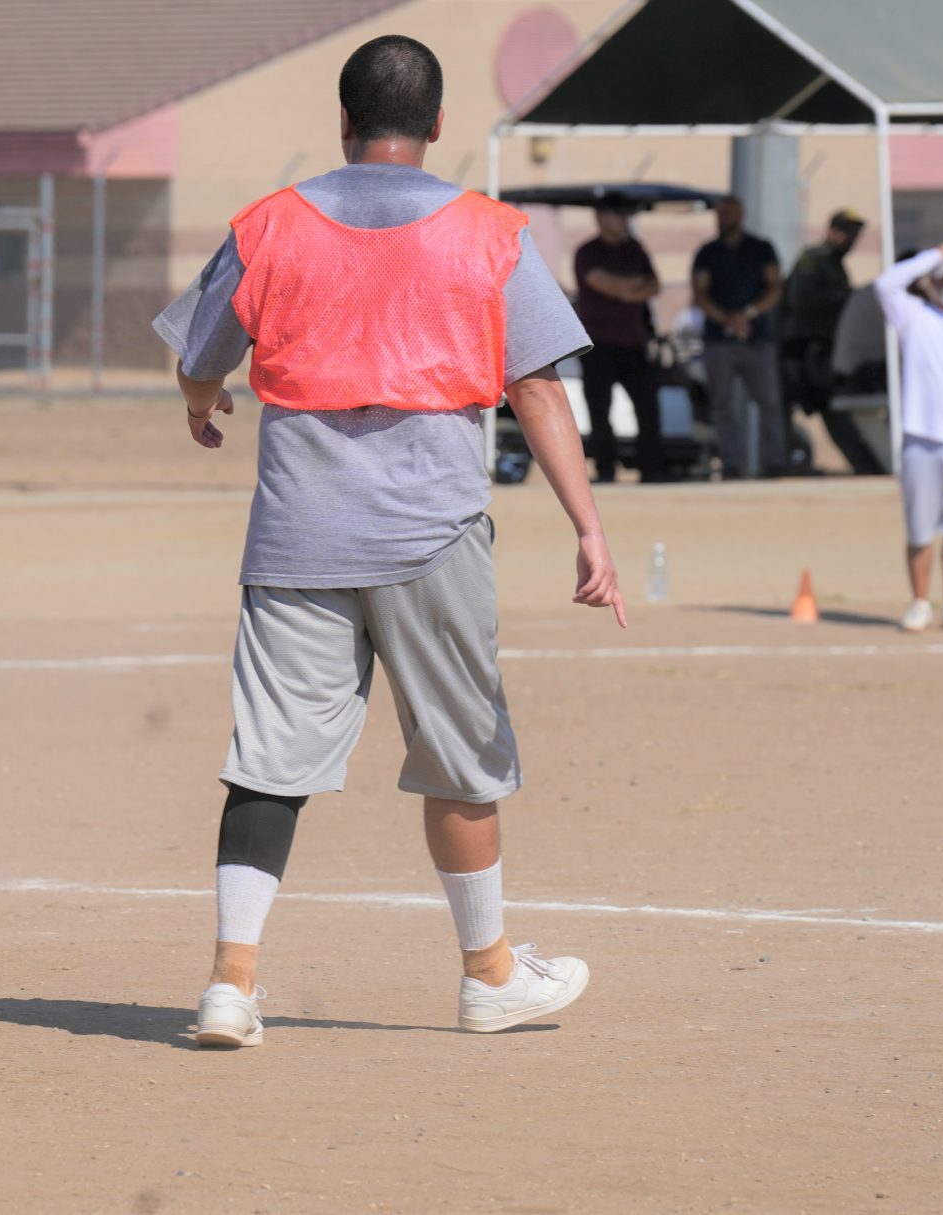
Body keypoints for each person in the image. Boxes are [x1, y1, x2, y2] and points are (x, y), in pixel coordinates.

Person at [152, 35, 626, 1047]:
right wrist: (587, 526)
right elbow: (536, 386)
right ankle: (488, 976)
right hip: (431, 534)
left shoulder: (268, 223)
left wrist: (202, 403)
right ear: (440, 124)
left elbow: (200, 353)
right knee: (460, 761)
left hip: (296, 533)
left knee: (269, 764)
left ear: (340, 120)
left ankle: (229, 985)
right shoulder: (488, 233)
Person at [874, 242, 943, 632]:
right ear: (931, 281)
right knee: (920, 528)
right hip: (922, 439)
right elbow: (885, 284)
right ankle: (919, 602)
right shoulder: (915, 318)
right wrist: (934, 255)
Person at [783, 210, 884, 475]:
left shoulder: (833, 263)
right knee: (825, 408)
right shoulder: (815, 260)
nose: (851, 241)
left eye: (854, 236)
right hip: (806, 352)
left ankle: (865, 465)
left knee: (833, 410)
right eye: (846, 234)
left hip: (822, 352)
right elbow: (803, 304)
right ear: (831, 232)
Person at [692, 196, 784, 478]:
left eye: (728, 212)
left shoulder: (761, 248)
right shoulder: (708, 252)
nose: (723, 218)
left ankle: (776, 462)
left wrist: (749, 314)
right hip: (719, 341)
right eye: (720, 213)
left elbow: (775, 288)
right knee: (722, 404)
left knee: (770, 402)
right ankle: (731, 462)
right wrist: (726, 320)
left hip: (758, 339)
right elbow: (700, 293)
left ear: (741, 214)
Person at [572, 200, 664, 482]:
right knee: (600, 410)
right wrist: (630, 287)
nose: (624, 220)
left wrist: (625, 290)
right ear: (600, 217)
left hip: (633, 343)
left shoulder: (635, 248)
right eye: (618, 214)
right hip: (597, 343)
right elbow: (601, 282)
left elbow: (654, 285)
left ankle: (651, 469)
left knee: (647, 407)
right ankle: (606, 469)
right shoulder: (587, 252)